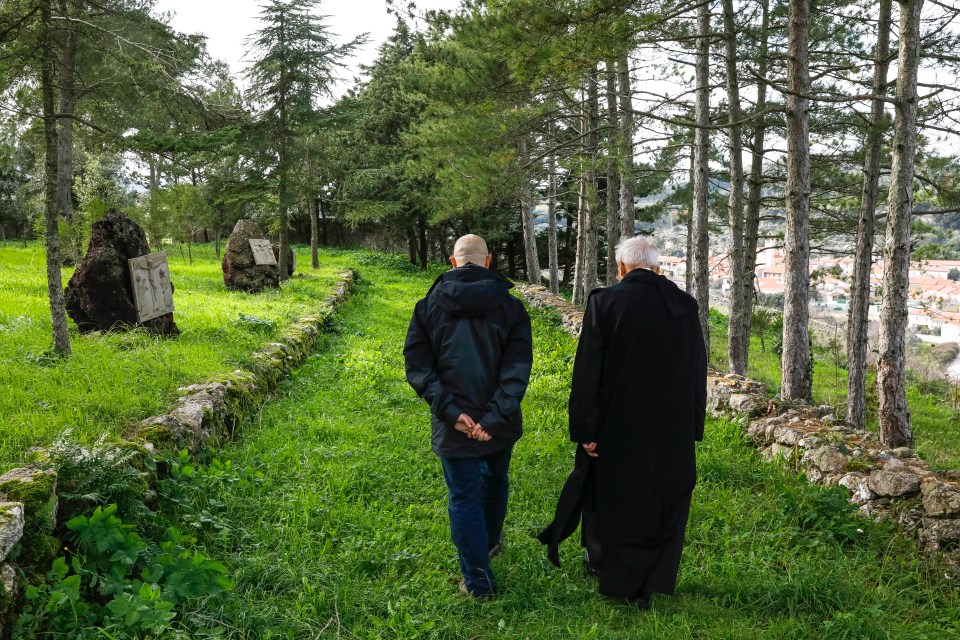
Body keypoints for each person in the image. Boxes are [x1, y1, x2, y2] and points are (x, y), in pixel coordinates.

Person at [538, 236, 707, 610]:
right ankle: (649, 580)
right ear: (657, 268)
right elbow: (697, 370)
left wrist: (585, 430)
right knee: (659, 498)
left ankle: (605, 565)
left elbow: (588, 374)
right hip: (670, 428)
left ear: (621, 268)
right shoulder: (685, 307)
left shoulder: (605, 303)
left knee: (613, 495)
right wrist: (694, 425)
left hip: (618, 425)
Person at [404, 234, 533, 598]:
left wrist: (453, 413)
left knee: (464, 497)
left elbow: (419, 368)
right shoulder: (511, 308)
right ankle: (488, 543)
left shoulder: (428, 306)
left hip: (454, 424)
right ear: (487, 261)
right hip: (498, 422)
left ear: (453, 261)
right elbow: (516, 371)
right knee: (494, 481)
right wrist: (492, 419)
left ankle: (477, 582)